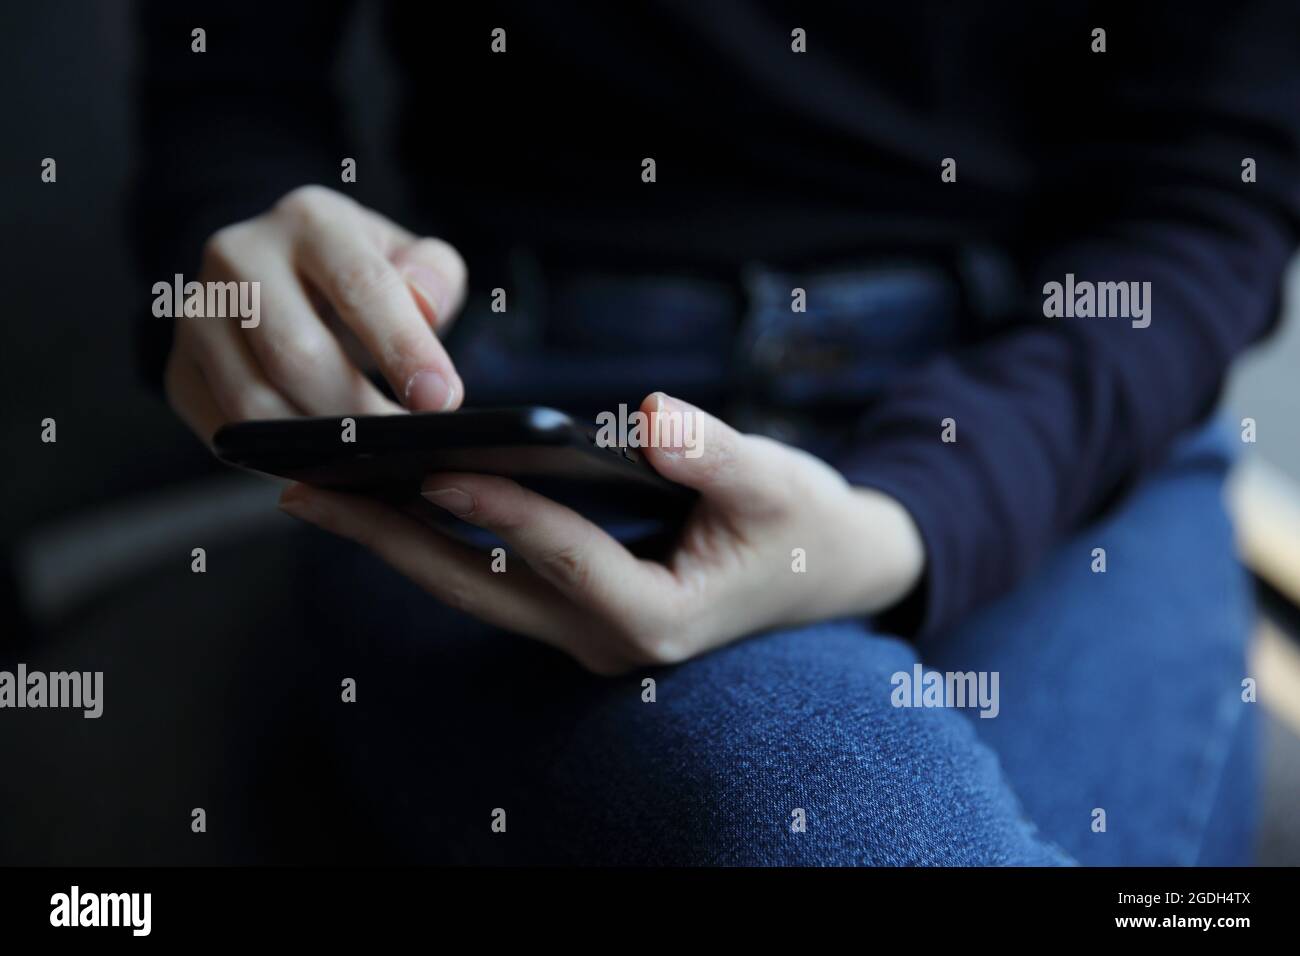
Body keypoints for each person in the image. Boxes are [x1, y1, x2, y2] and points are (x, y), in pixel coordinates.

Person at [134, 2, 1300, 864]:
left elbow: (1208, 191)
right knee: (867, 824)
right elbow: (223, 96)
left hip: (1055, 417)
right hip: (534, 410)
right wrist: (243, 269)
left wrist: (907, 522)